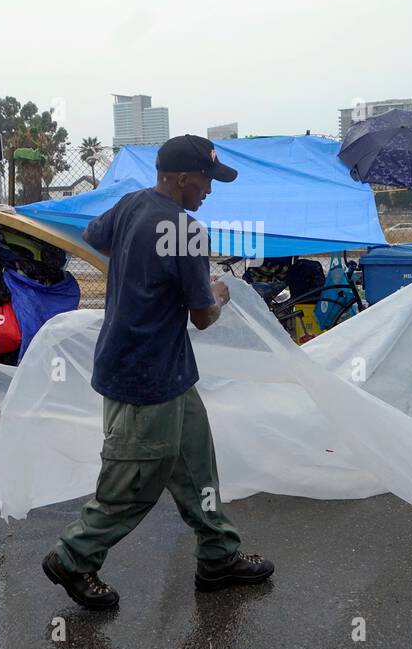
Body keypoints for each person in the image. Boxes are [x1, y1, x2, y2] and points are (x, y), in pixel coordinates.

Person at [43, 134, 274, 610]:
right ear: (183, 178)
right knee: (134, 481)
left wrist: (139, 275)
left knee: (196, 467)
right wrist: (220, 289)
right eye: (207, 180)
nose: (209, 191)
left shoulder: (132, 205)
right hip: (144, 376)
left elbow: (92, 236)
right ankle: (74, 556)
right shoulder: (186, 232)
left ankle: (218, 555)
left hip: (166, 371)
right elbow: (204, 316)